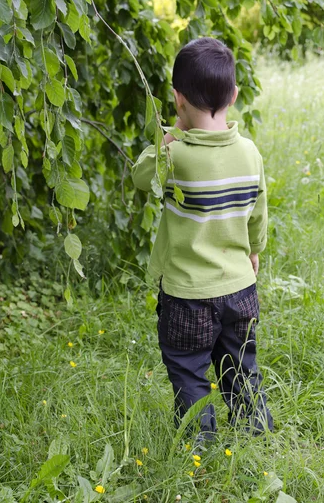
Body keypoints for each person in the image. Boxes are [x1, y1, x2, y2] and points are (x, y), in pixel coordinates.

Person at [132, 37, 273, 441]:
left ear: (178, 100)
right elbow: (258, 213)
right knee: (241, 367)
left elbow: (140, 177)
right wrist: (255, 250)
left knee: (190, 371)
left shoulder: (175, 156)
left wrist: (170, 134)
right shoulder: (250, 153)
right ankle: (254, 435)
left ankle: (198, 448)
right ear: (234, 94)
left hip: (187, 296)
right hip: (239, 290)